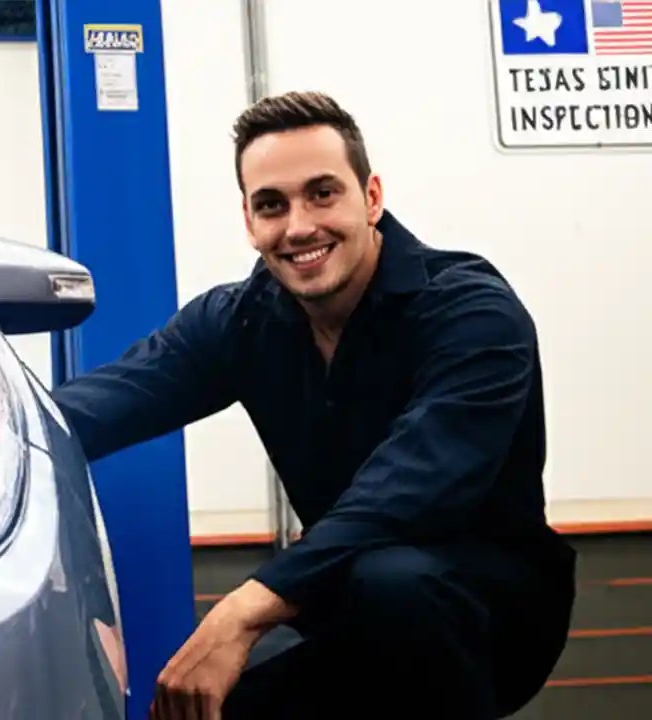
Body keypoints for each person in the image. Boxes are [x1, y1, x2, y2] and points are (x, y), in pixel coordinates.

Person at [49, 91, 577, 719]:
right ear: (249, 221)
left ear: (372, 197)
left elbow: (410, 489)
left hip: (489, 618)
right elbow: (98, 406)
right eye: (271, 205)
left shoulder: (470, 312)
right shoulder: (240, 322)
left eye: (322, 193)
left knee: (393, 581)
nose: (298, 225)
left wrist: (241, 611)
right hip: (341, 606)